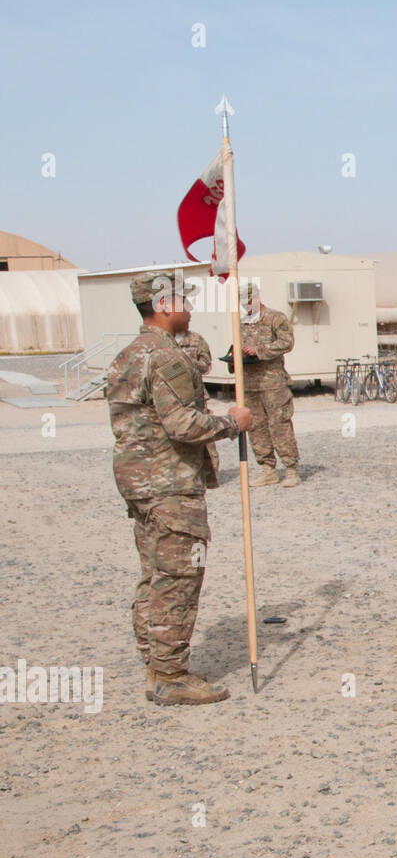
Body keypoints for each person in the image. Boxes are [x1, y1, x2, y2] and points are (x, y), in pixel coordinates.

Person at [106, 271, 252, 705]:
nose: (189, 307)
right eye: (183, 300)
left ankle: (156, 666)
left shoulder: (127, 354)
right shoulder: (166, 357)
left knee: (154, 573)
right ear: (164, 304)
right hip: (170, 484)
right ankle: (171, 676)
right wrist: (233, 423)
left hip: (140, 483)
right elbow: (183, 425)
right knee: (180, 577)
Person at [238, 284, 301, 488]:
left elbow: (287, 342)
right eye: (243, 302)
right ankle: (267, 469)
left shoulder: (275, 318)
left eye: (249, 301)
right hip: (249, 384)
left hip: (272, 382)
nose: (247, 306)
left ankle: (291, 469)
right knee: (256, 427)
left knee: (280, 425)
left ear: (257, 298)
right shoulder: (241, 323)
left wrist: (259, 350)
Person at [176, 328, 220, 488]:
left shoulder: (196, 339)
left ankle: (212, 471)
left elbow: (206, 366)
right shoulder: (162, 340)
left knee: (203, 429)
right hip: (171, 394)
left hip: (195, 394)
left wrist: (186, 362)